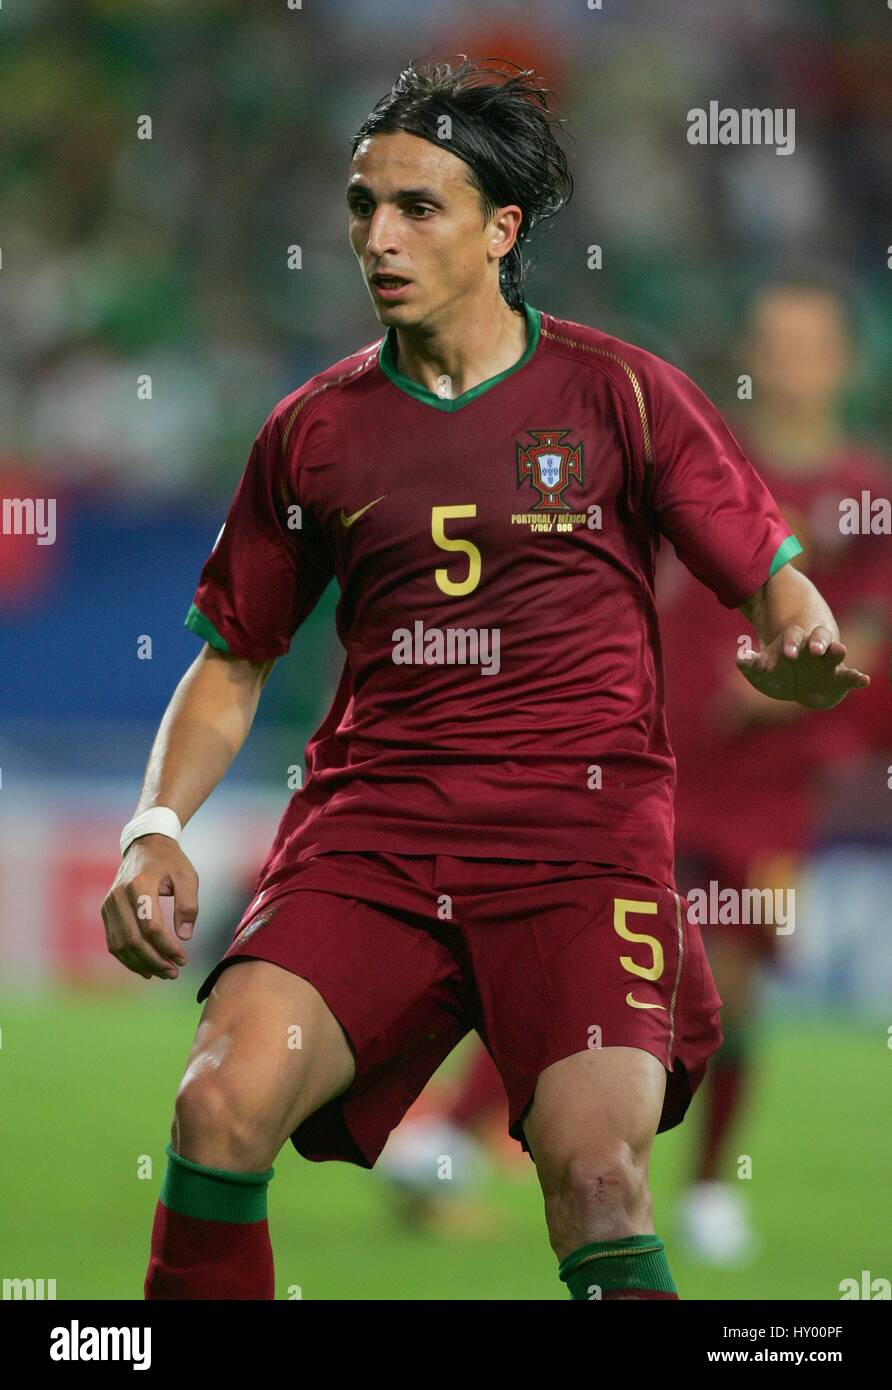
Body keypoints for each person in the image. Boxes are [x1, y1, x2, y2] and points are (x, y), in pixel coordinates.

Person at [101, 58, 870, 1302]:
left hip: (583, 841)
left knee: (597, 1177)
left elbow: (772, 577)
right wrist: (153, 826)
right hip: (376, 836)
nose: (378, 236)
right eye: (363, 206)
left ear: (501, 230)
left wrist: (796, 641)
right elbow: (234, 656)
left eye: (417, 207)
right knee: (215, 1107)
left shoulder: (620, 392)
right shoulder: (313, 429)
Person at [657, 275, 891, 1262]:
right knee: (623, 963)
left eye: (810, 341)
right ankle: (476, 1140)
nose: (792, 360)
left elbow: (871, 632)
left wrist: (784, 687)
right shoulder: (704, 466)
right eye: (775, 340)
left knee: (733, 989)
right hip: (653, 763)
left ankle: (709, 1185)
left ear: (842, 358)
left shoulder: (867, 492)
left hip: (768, 791)